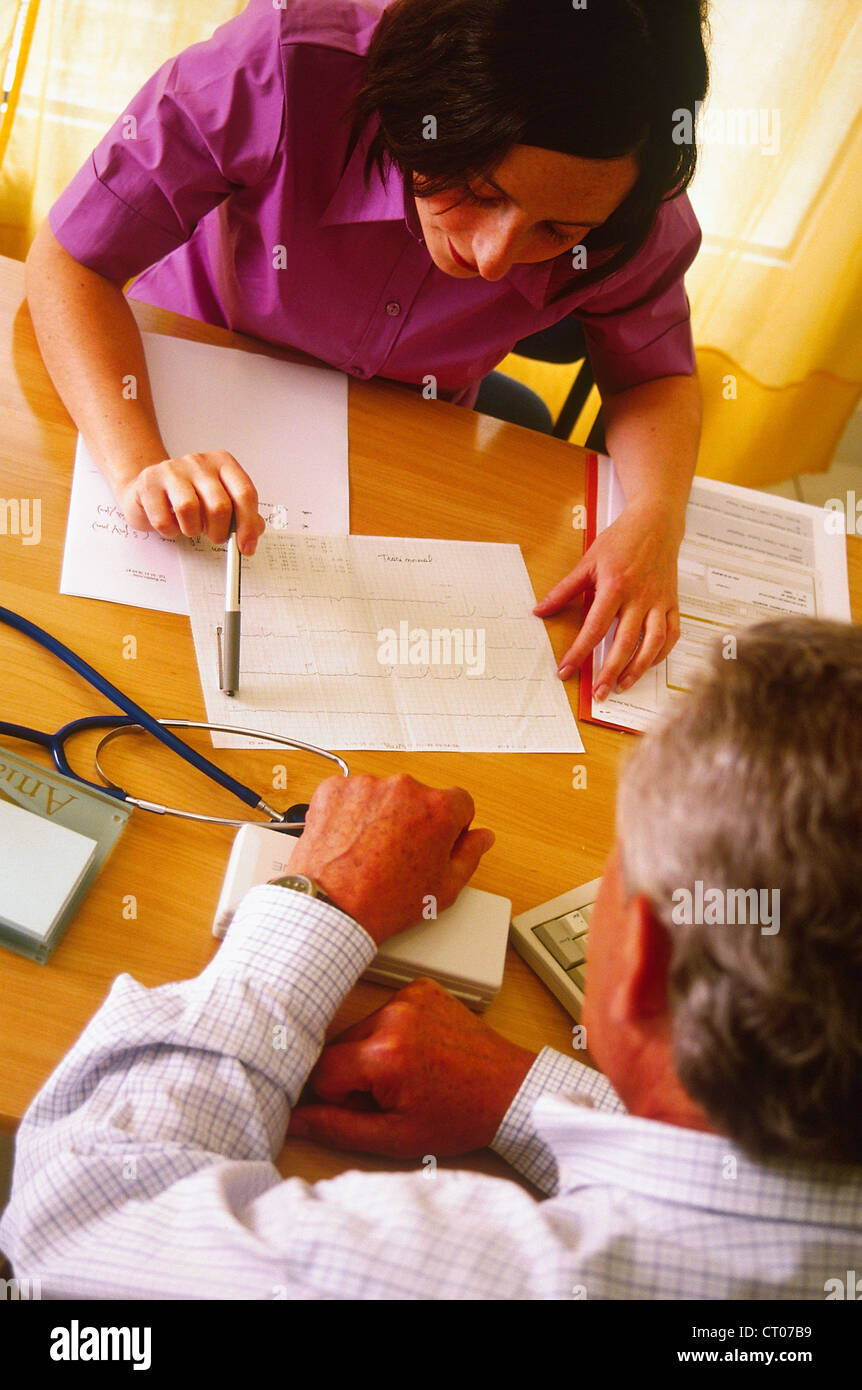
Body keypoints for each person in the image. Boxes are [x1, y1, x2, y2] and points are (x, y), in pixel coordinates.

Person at [2, 615, 861, 1299]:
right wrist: (528, 1100)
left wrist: (323, 903)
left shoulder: (447, 1270)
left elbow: (83, 1222)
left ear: (640, 960)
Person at [27, 0, 709, 702]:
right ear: (421, 109)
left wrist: (657, 515)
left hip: (401, 446)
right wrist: (138, 465)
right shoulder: (282, 65)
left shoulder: (640, 205)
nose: (494, 257)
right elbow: (71, 260)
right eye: (477, 190)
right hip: (175, 378)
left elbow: (653, 377)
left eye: (556, 231)